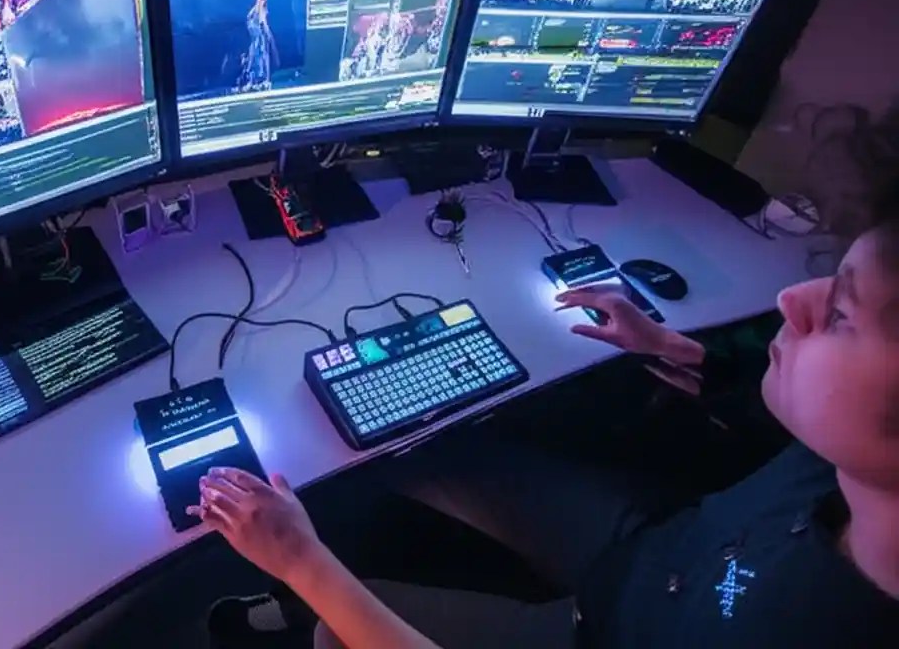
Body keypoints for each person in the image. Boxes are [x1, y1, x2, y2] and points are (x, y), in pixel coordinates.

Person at [193, 212, 899, 647]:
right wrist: (677, 350)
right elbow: (783, 424)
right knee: (423, 450)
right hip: (656, 546)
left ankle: (297, 598)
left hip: (595, 629)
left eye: (841, 315)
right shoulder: (858, 467)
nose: (794, 299)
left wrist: (302, 562)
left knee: (333, 632)